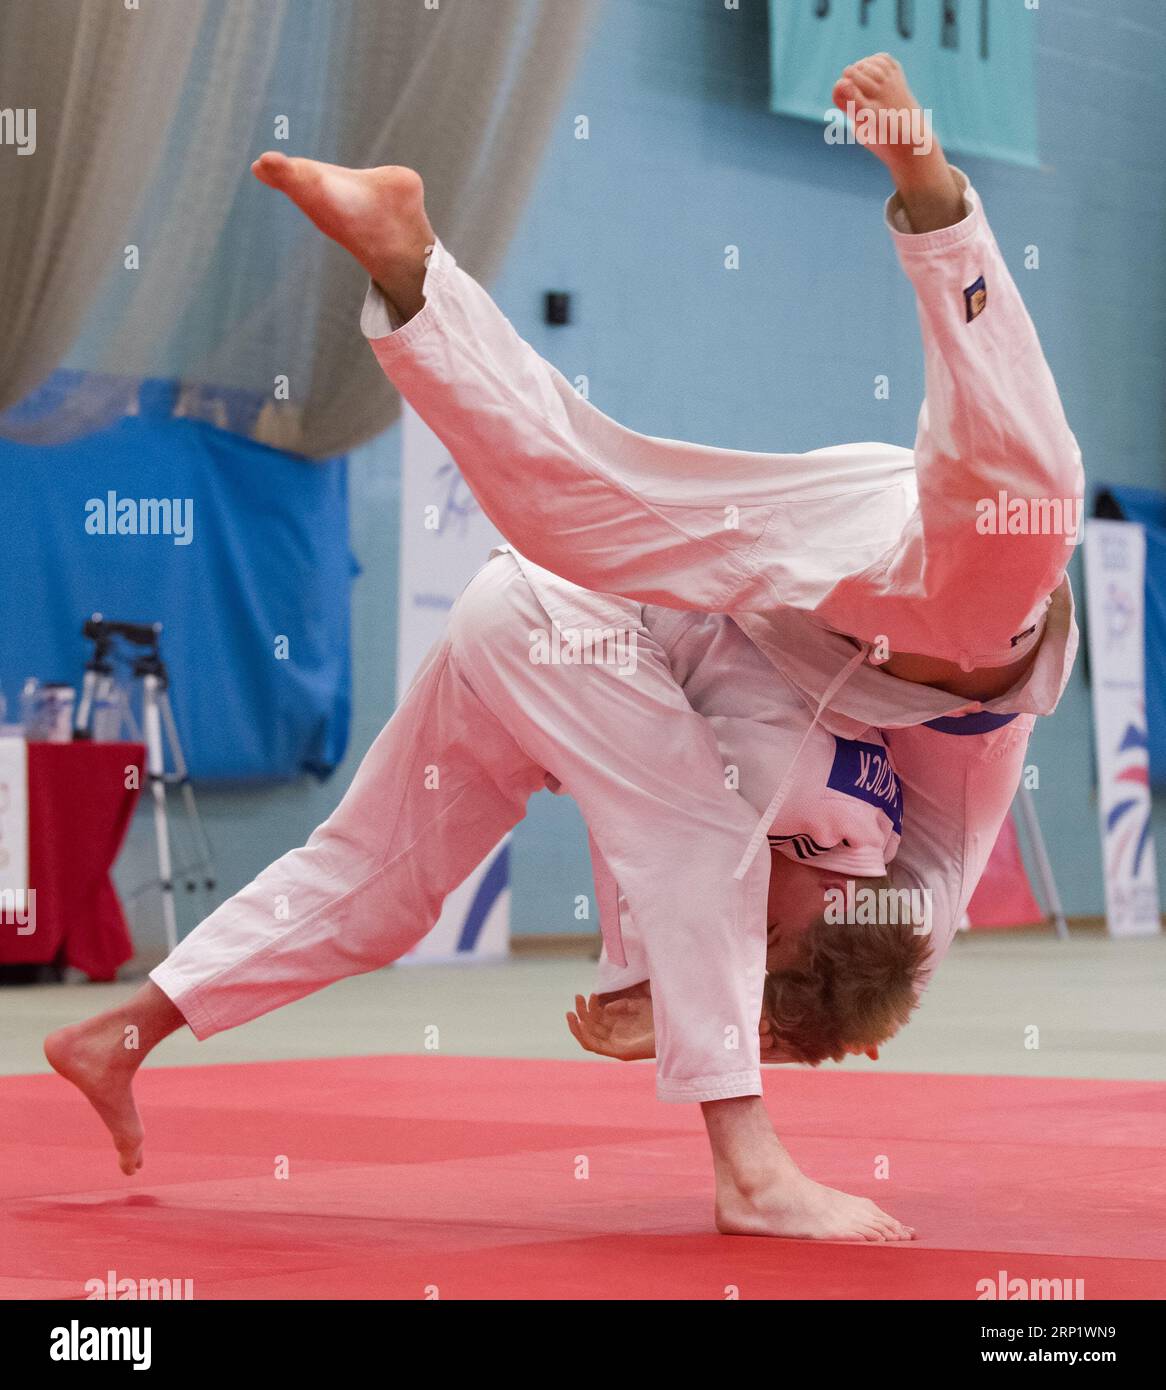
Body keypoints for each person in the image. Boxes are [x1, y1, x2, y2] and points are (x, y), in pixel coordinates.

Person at [45, 54, 1081, 1243]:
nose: (750, 928)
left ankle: (122, 1031)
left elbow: (674, 851)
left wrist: (645, 983)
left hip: (563, 634)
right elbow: (709, 868)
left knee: (378, 882)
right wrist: (920, 179)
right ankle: (749, 1173)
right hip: (905, 591)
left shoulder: (796, 826)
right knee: (1015, 504)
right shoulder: (899, 867)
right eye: (766, 944)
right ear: (820, 927)